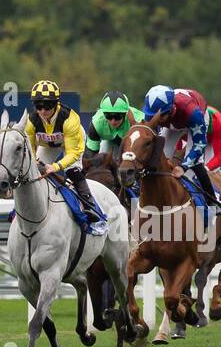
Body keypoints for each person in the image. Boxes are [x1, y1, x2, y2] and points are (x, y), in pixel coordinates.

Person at [22, 80, 107, 235]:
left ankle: (93, 210)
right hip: (48, 145)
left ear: (56, 104)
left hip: (71, 144)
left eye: (47, 106)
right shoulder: (31, 121)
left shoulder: (70, 119)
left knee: (72, 172)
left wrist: (55, 167)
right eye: (38, 106)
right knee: (35, 172)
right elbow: (30, 150)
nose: (42, 111)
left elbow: (73, 154)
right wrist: (35, 163)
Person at [140, 84, 221, 211]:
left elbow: (199, 145)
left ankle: (213, 202)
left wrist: (183, 167)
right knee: (159, 157)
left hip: (191, 120)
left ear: (171, 109)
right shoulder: (153, 113)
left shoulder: (192, 113)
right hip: (173, 122)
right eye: (152, 116)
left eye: (160, 116)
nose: (156, 119)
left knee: (197, 163)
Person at [84, 91, 145, 157]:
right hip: (108, 141)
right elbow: (90, 153)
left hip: (132, 145)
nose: (113, 121)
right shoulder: (96, 124)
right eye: (108, 116)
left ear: (126, 114)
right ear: (103, 114)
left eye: (118, 116)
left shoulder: (139, 122)